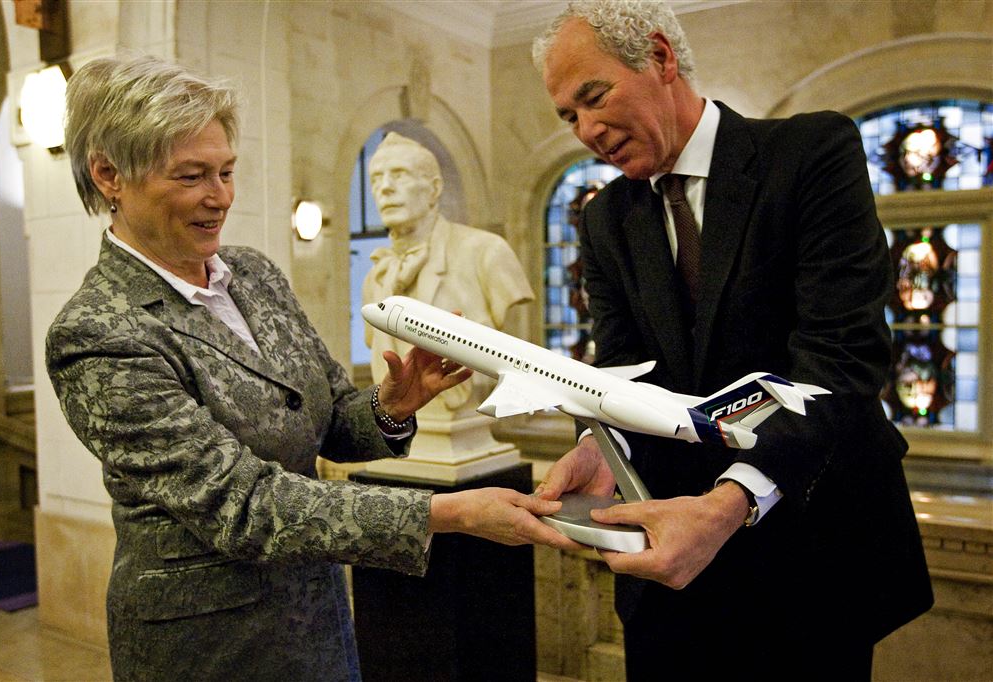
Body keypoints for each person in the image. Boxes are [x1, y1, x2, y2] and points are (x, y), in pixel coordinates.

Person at [46, 55, 576, 682]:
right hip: (209, 644)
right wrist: (446, 514)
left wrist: (393, 404)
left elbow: (329, 422)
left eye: (226, 170)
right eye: (191, 176)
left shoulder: (255, 275)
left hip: (315, 617)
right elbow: (241, 504)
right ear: (109, 174)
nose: (220, 197)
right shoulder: (98, 331)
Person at [531, 1, 933, 679]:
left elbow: (839, 362)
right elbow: (624, 369)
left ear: (659, 57)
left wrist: (729, 501)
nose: (586, 131)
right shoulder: (604, 219)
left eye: (593, 97)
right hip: (667, 574)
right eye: (568, 117)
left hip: (811, 552)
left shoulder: (809, 154)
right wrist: (602, 446)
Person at [362, 132, 533, 418]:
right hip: (403, 433)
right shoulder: (375, 277)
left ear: (434, 188)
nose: (385, 188)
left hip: (466, 423)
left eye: (399, 175)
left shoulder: (486, 251)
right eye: (376, 179)